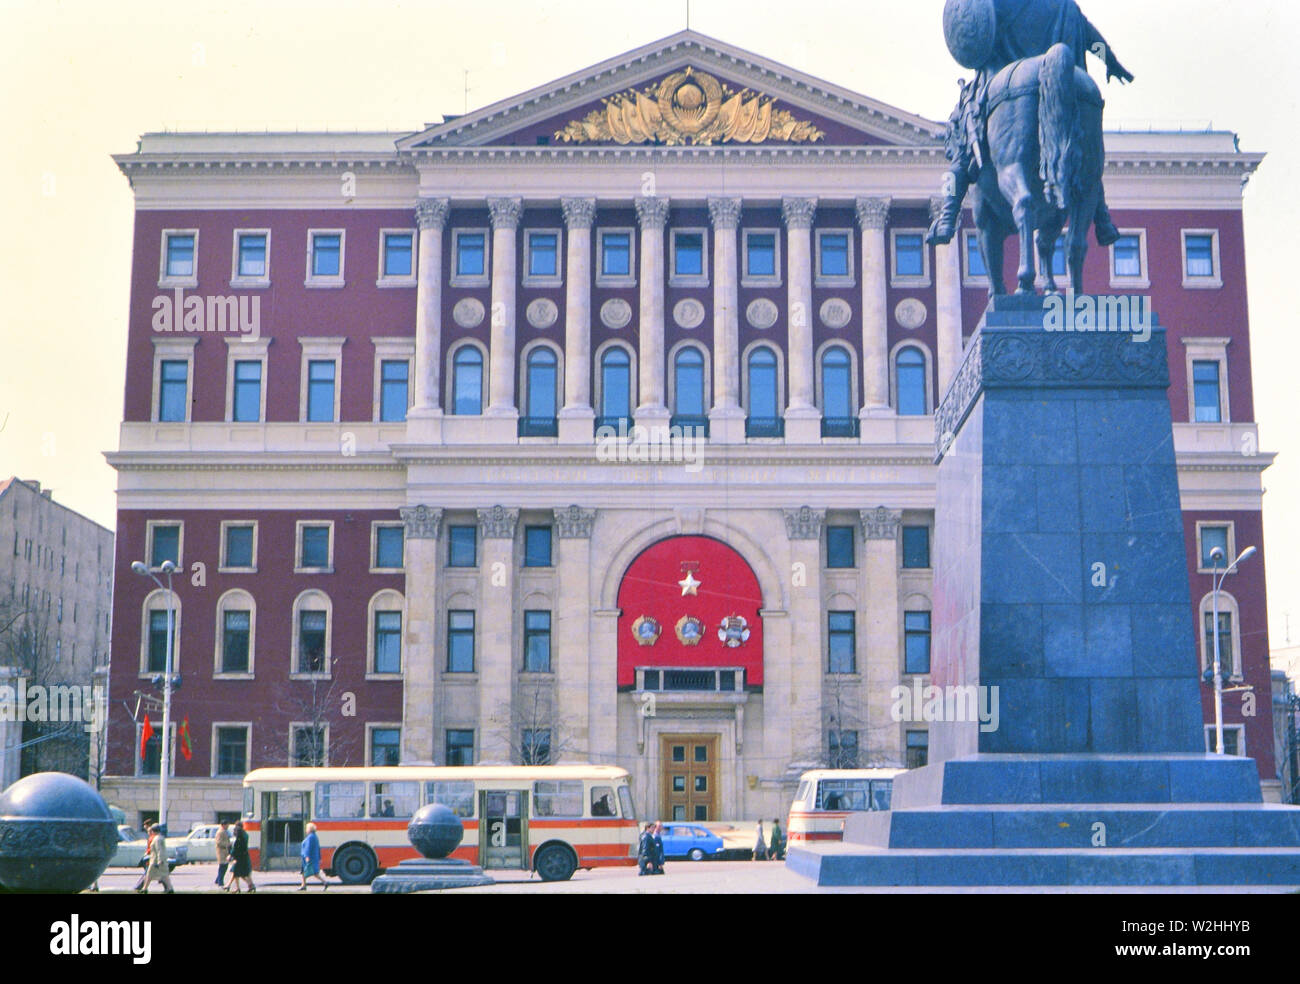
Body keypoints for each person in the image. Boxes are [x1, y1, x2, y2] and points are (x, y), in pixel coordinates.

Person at [927, 0, 1134, 247]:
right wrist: (1109, 60)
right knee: (1080, 145)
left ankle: (948, 215)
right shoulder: (1063, 4)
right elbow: (1092, 39)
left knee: (958, 157)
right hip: (1065, 87)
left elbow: (973, 36)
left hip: (996, 86)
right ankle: (1101, 215)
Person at [138, 823, 175, 894]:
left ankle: (144, 889)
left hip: (155, 861)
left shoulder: (157, 839)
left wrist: (159, 861)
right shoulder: (160, 837)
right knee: (164, 875)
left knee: (149, 874)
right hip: (160, 860)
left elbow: (159, 850)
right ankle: (170, 889)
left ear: (153, 831)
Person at [228, 818, 256, 893]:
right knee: (241, 873)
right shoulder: (245, 834)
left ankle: (249, 885)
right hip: (244, 856)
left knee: (238, 873)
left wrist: (231, 855)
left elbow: (236, 847)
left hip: (239, 857)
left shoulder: (239, 836)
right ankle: (242, 887)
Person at [299, 822, 328, 891]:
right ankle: (303, 885)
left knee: (314, 873)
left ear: (309, 829)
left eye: (306, 828)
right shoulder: (314, 836)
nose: (306, 830)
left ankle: (325, 882)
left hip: (309, 858)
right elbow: (318, 848)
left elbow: (308, 847)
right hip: (313, 857)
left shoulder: (310, 837)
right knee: (303, 872)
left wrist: (307, 856)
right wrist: (319, 857)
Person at [214, 821, 232, 889]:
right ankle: (220, 882)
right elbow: (219, 842)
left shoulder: (224, 831)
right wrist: (227, 844)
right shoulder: (220, 832)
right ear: (223, 825)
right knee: (222, 867)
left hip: (225, 852)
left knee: (224, 866)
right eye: (227, 825)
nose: (228, 826)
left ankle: (217, 880)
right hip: (221, 852)